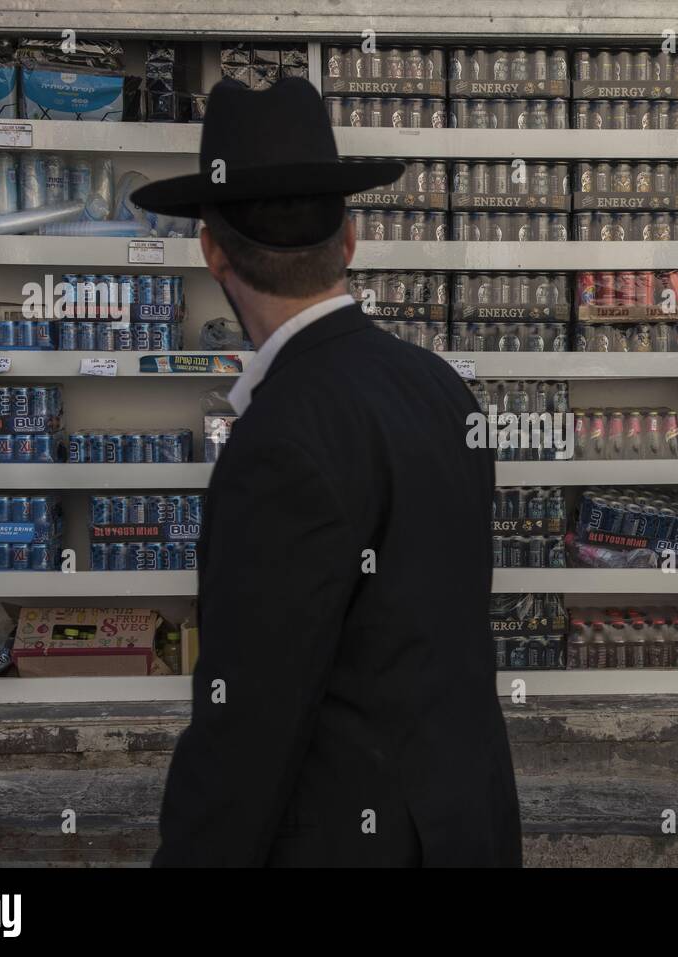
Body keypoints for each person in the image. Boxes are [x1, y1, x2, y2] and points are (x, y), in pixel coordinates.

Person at [132, 78, 522, 867]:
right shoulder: (440, 386)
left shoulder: (277, 440)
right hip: (470, 828)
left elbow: (246, 729)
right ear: (348, 240)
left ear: (211, 250)